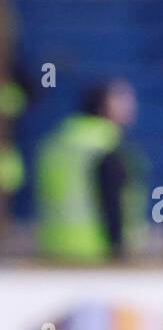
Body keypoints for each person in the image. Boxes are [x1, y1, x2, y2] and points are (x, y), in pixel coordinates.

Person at [35, 80, 142, 263]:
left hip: (53, 247)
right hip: (95, 250)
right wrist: (118, 248)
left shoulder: (56, 143)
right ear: (103, 106)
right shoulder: (105, 147)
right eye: (121, 99)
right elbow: (111, 200)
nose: (131, 106)